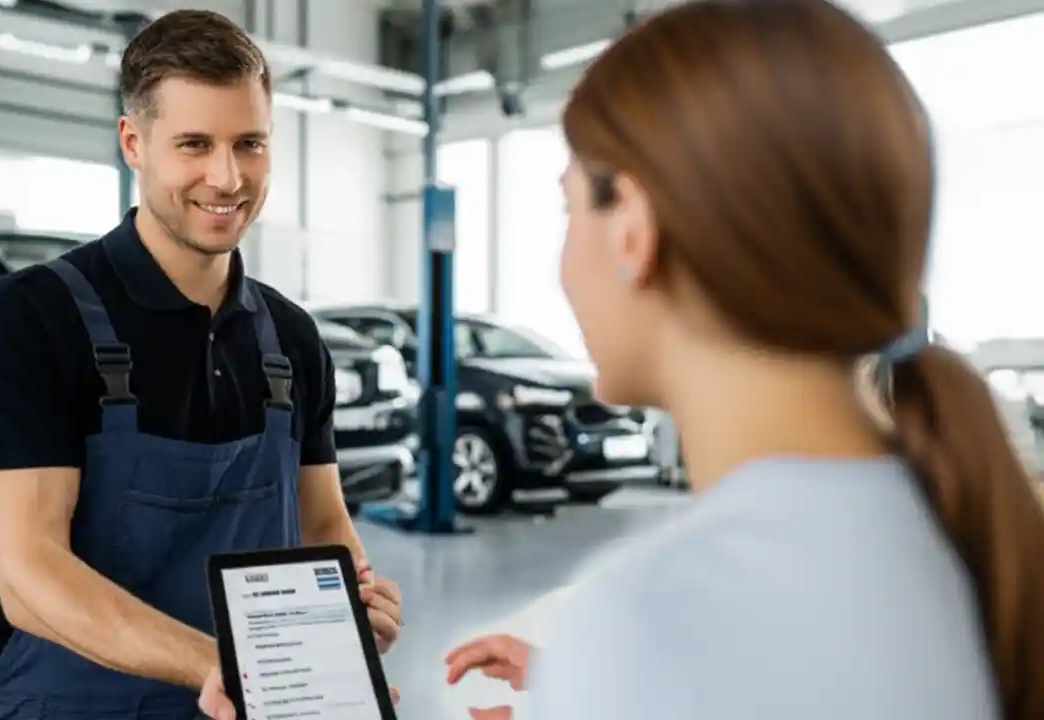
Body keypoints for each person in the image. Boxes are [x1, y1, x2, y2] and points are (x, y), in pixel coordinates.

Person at [444, 1, 1044, 718]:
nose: (564, 259)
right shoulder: (971, 540)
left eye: (569, 207)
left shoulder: (652, 616)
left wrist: (608, 680)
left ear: (633, 227)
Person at [0, 10, 402, 720]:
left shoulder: (290, 337)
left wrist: (348, 617)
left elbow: (322, 524)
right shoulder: (34, 318)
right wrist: (226, 667)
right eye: (194, 144)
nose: (227, 178)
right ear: (133, 142)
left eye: (249, 144)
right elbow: (29, 574)